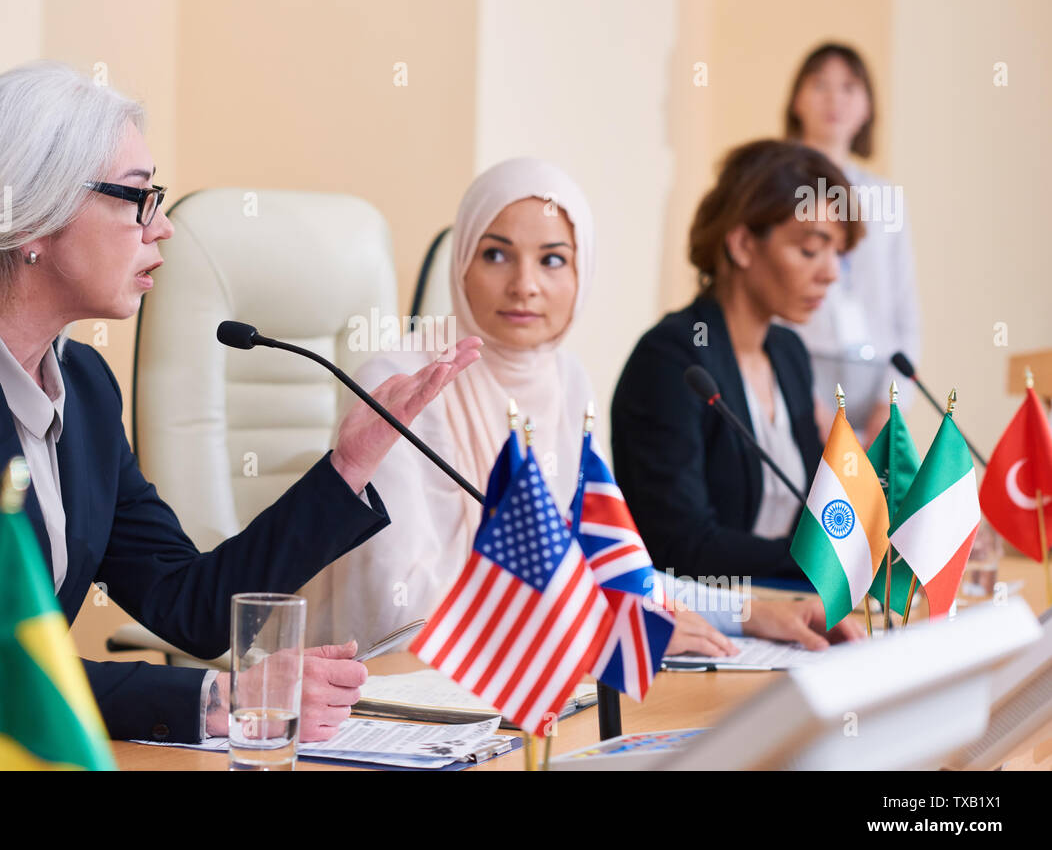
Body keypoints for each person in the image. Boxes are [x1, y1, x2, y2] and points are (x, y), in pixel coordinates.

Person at [0, 62, 481, 744]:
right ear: (33, 218)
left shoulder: (83, 386)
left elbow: (188, 604)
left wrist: (349, 463)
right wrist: (219, 696)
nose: (163, 227)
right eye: (136, 197)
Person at [305, 158, 863, 658]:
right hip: (391, 702)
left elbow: (605, 564)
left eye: (553, 260)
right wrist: (599, 630)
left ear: (581, 273)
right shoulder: (399, 381)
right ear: (462, 264)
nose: (525, 285)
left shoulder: (567, 380)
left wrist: (748, 613)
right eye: (496, 254)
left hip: (528, 683)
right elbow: (401, 609)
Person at [611, 140, 866, 586]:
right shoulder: (671, 358)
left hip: (785, 611)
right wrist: (829, 559)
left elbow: (812, 508)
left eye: (837, 255)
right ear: (743, 244)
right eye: (810, 249)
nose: (830, 273)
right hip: (701, 626)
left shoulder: (788, 353)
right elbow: (682, 544)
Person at [781, 42, 920, 441]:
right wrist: (806, 401)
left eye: (849, 87)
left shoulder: (886, 197)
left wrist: (891, 405)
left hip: (875, 383)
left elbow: (905, 313)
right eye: (820, 84)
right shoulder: (775, 190)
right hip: (800, 376)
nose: (834, 99)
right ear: (796, 100)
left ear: (868, 107)